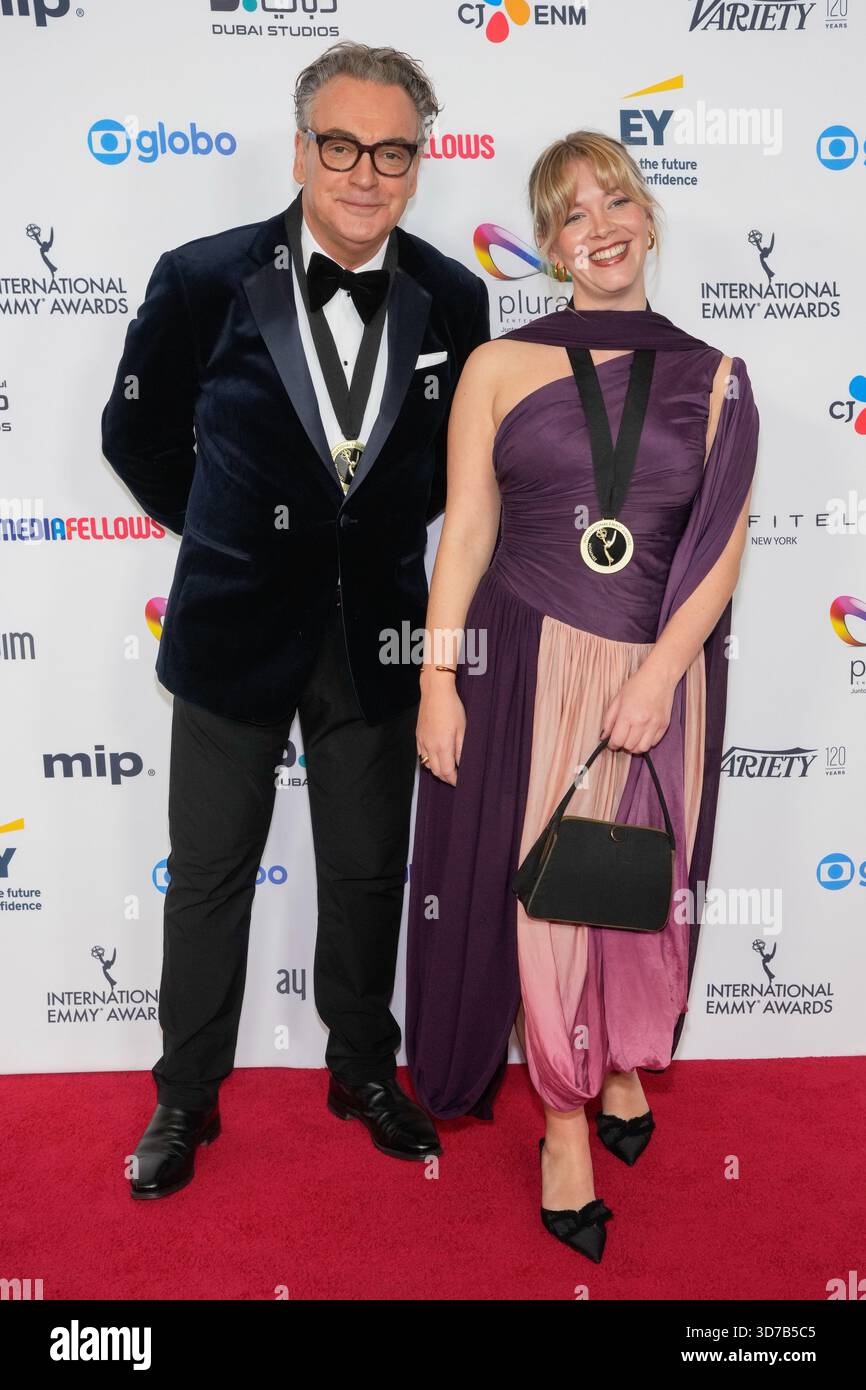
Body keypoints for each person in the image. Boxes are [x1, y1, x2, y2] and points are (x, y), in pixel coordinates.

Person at [100, 41, 490, 1199]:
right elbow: (137, 437)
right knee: (211, 872)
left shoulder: (454, 298)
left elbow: (457, 479)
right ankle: (184, 1096)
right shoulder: (202, 276)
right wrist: (232, 533)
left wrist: (352, 544)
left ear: (417, 163)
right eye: (340, 145)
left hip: (380, 630)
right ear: (301, 147)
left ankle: (363, 1068)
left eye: (390, 152)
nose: (364, 173)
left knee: (368, 871)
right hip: (231, 622)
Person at [405, 130, 758, 1260]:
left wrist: (659, 673)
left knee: (629, 891)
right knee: (548, 896)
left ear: (647, 217)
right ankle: (564, 1119)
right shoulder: (498, 365)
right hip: (524, 658)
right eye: (568, 214)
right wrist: (437, 675)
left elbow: (718, 553)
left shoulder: (715, 377)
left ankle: (614, 1070)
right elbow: (464, 531)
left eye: (614, 202)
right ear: (548, 246)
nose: (597, 227)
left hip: (662, 668)